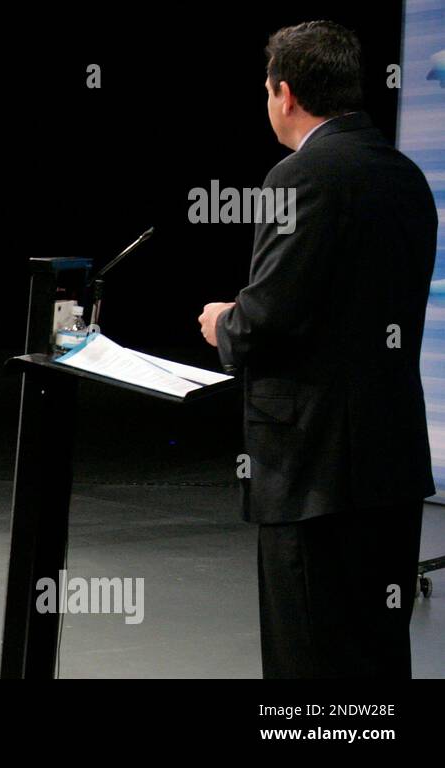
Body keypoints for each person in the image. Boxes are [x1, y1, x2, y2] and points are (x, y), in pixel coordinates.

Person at [198, 21, 437, 677]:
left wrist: (224, 320)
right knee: (379, 653)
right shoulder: (407, 177)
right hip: (390, 461)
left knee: (310, 659)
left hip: (313, 470)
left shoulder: (300, 176)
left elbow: (269, 318)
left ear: (285, 93)